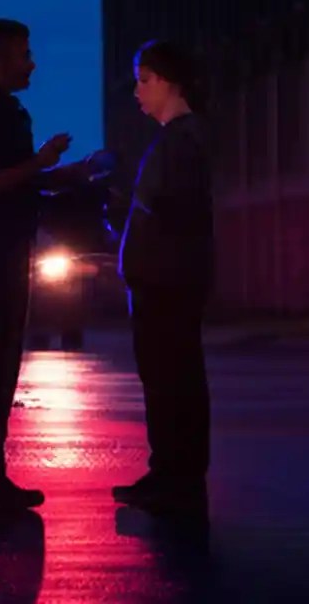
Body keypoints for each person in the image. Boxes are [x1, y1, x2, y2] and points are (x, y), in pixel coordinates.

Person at [0, 18, 98, 513]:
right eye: (23, 54)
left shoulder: (13, 113)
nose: (32, 63)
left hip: (11, 244)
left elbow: (17, 182)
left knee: (5, 361)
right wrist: (40, 164)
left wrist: (63, 176)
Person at [111, 40, 215, 515]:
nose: (137, 90)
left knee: (172, 380)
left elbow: (178, 211)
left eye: (144, 79)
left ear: (169, 82)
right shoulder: (177, 140)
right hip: (163, 280)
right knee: (167, 380)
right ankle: (170, 474)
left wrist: (143, 215)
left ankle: (177, 479)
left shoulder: (183, 140)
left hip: (168, 283)